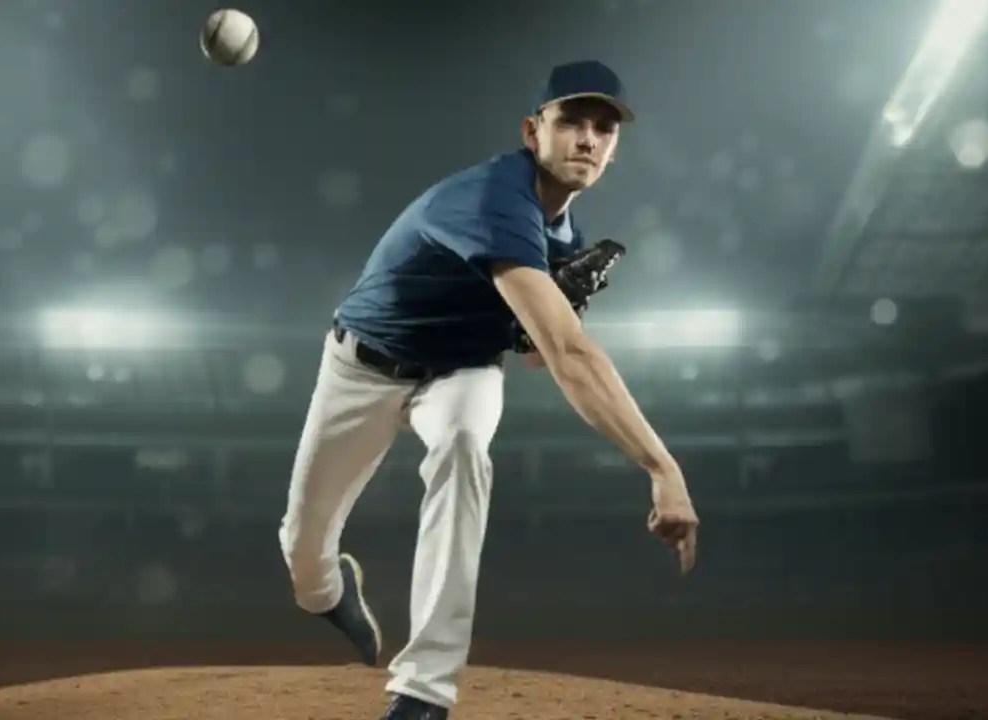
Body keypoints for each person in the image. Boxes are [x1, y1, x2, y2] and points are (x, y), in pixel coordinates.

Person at [277, 59, 700, 720]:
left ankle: (423, 692)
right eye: (571, 122)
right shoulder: (494, 198)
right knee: (302, 551)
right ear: (534, 131)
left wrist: (545, 315)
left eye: (604, 128)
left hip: (460, 373)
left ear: (615, 148)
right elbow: (565, 354)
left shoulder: (565, 238)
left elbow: (532, 352)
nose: (588, 138)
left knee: (465, 445)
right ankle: (331, 595)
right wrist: (662, 466)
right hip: (362, 368)